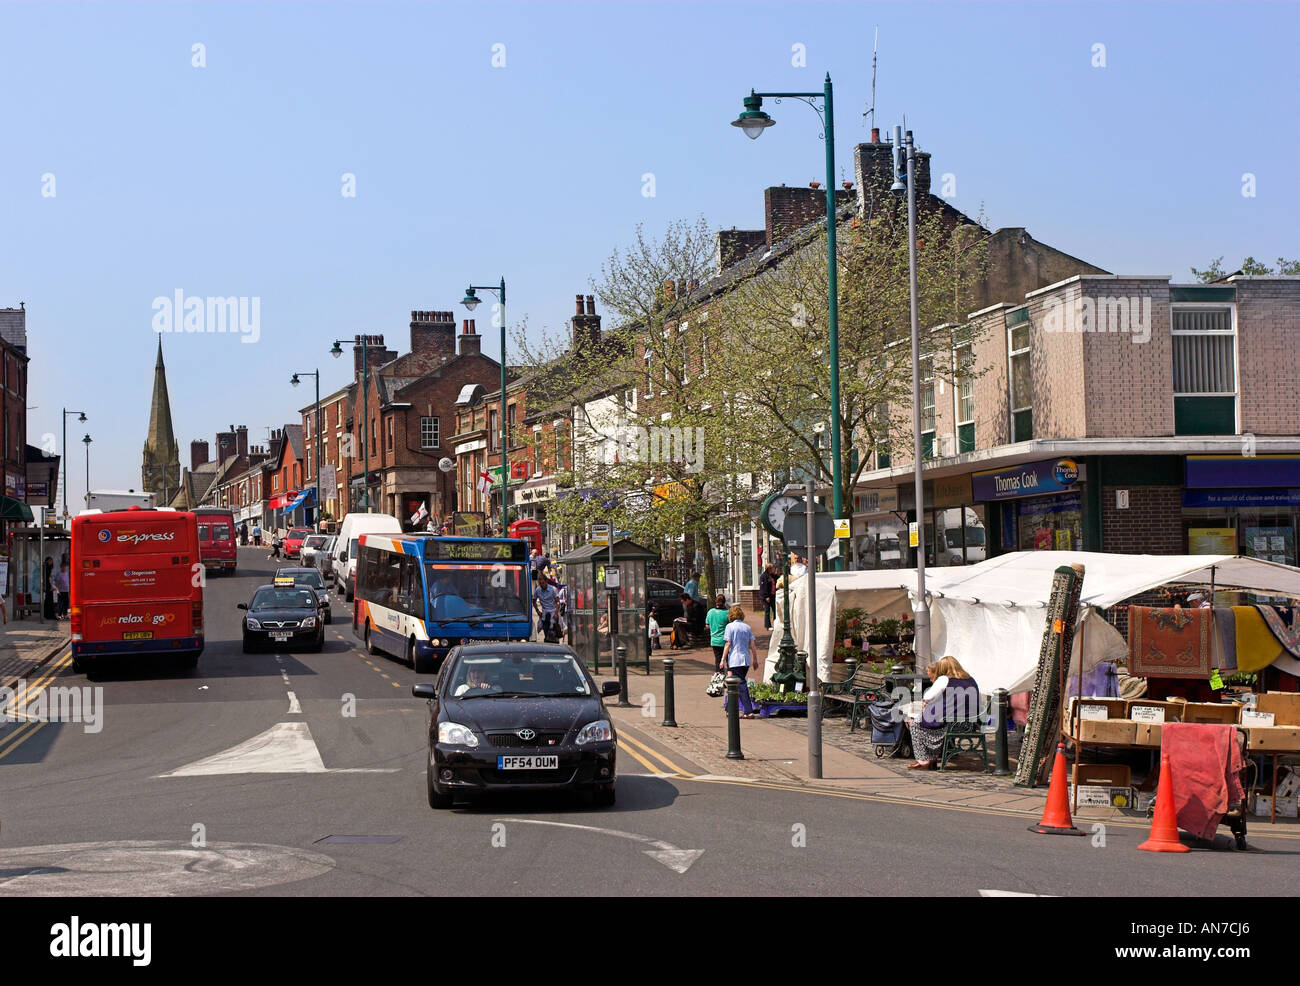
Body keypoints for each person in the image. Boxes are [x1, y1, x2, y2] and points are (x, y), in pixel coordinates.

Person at [905, 656, 981, 770]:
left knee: (915, 724)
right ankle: (932, 759)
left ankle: (924, 759)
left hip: (952, 724)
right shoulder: (970, 679)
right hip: (970, 724)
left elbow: (927, 696)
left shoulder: (945, 679)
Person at [720, 605, 759, 718]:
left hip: (735, 659)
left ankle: (748, 710)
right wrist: (755, 659)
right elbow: (752, 645)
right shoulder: (747, 627)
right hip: (745, 660)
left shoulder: (730, 627)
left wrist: (723, 659)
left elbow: (728, 644)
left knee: (740, 685)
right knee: (735, 685)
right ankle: (729, 709)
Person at [705, 594, 729, 667]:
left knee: (718, 659)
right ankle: (730, 676)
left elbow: (707, 625)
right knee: (728, 659)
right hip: (725, 641)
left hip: (714, 640)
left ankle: (719, 674)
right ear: (724, 602)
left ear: (716, 602)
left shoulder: (710, 612)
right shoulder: (727, 613)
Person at [533, 575, 560, 642]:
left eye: (543, 583)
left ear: (546, 581)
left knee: (555, 633)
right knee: (546, 632)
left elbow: (558, 602)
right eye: (540, 583)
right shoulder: (538, 590)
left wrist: (556, 613)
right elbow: (533, 601)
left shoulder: (553, 589)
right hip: (545, 614)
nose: (542, 585)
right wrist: (538, 611)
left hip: (553, 613)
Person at [759, 563, 777, 629]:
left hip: (773, 595)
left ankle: (776, 624)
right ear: (769, 569)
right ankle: (768, 625)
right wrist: (766, 596)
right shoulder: (764, 576)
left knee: (775, 610)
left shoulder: (773, 576)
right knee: (767, 611)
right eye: (772, 568)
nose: (773, 569)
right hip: (767, 597)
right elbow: (764, 587)